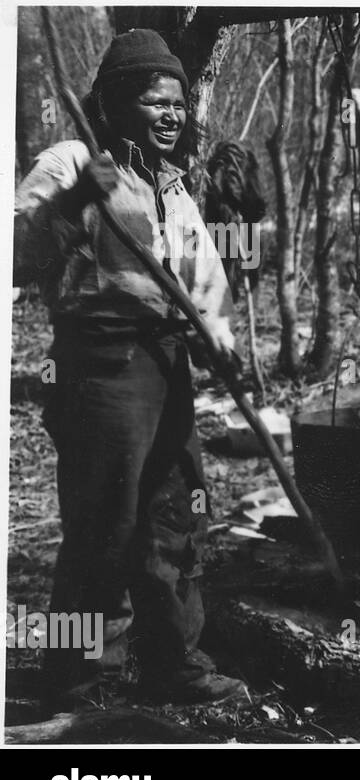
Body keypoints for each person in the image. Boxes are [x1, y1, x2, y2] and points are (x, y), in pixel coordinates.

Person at [14, 29, 246, 708]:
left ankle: (175, 665)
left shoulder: (171, 186)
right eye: (155, 101)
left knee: (173, 521)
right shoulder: (72, 162)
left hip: (168, 364)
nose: (173, 114)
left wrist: (219, 337)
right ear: (115, 104)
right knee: (102, 526)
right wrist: (74, 200)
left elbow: (203, 278)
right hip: (100, 366)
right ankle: (79, 676)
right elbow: (16, 254)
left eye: (179, 102)